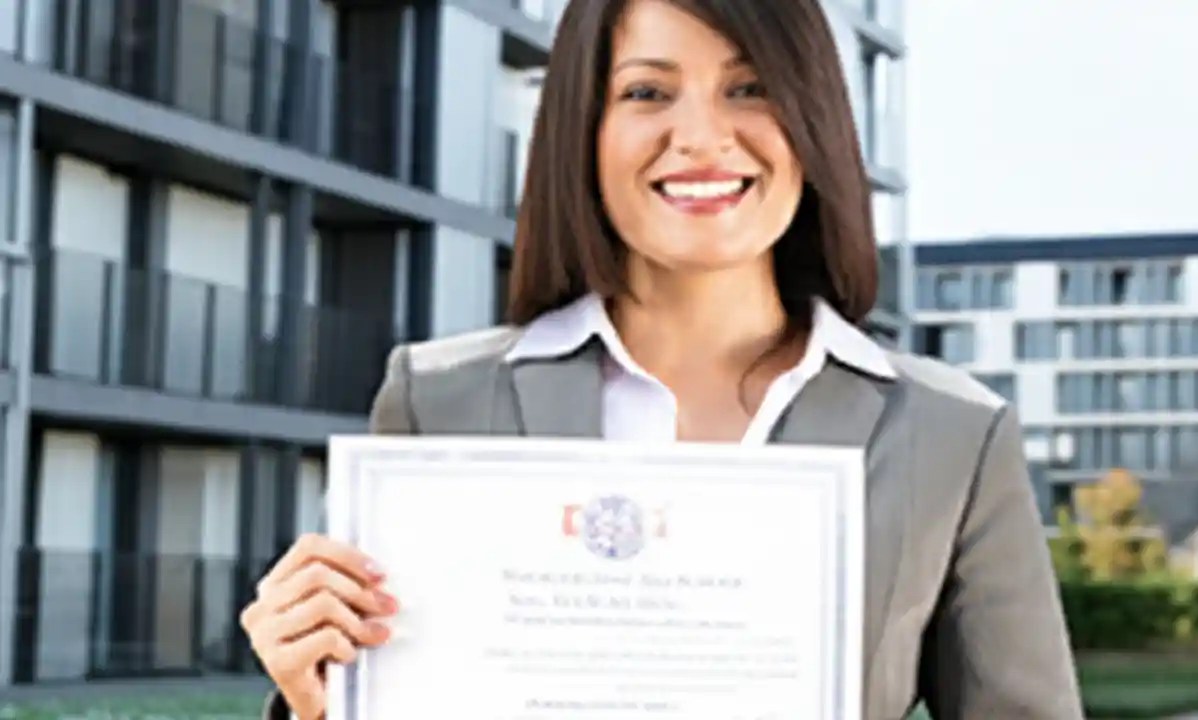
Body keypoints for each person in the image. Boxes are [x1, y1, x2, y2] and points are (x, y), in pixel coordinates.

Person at [240, 0, 1084, 717]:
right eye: (647, 91)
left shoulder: (951, 432)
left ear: (813, 120)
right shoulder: (437, 401)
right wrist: (313, 699)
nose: (702, 138)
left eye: (750, 88)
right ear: (584, 127)